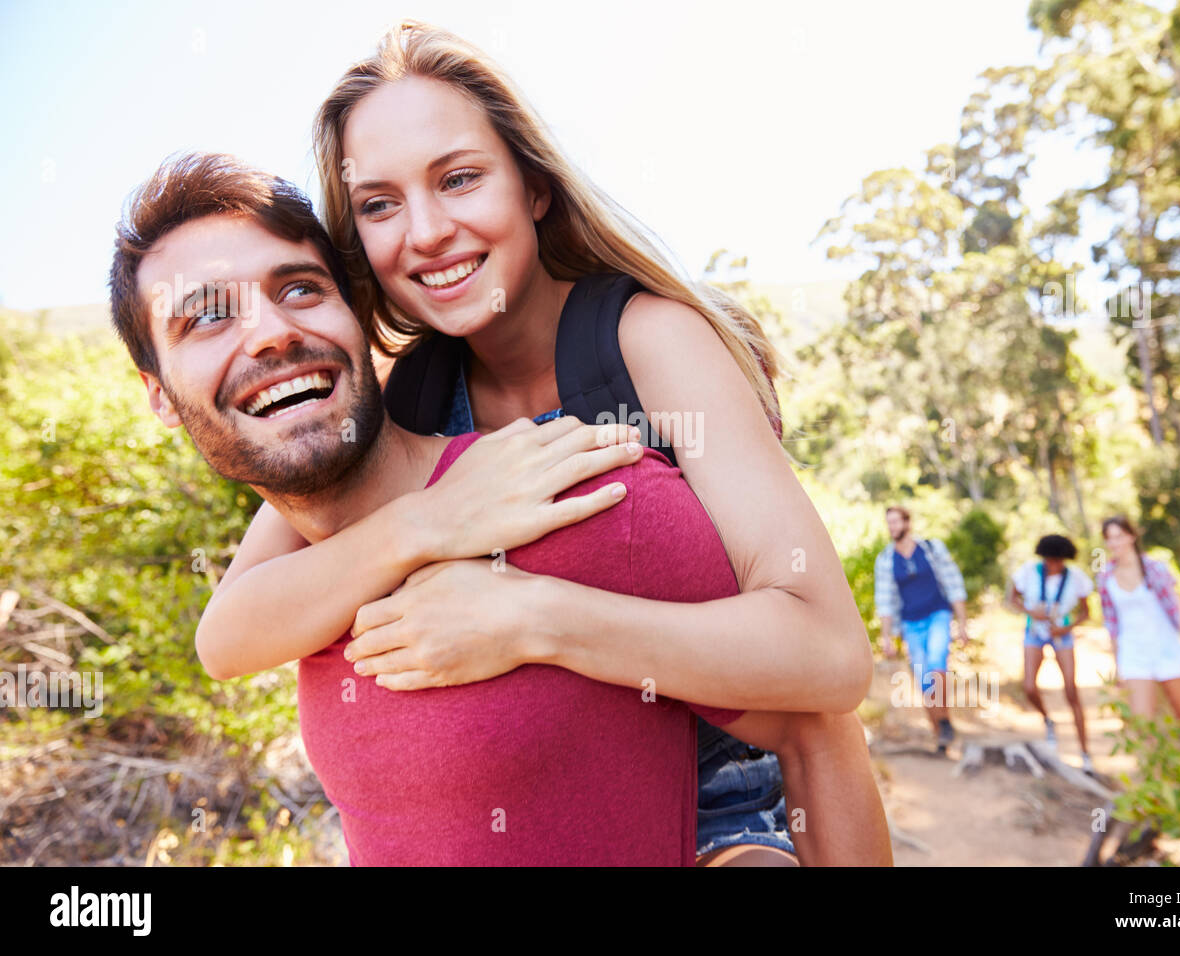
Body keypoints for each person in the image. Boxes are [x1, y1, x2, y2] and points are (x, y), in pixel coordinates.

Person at [196, 22, 891, 866]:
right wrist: (423, 526)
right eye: (380, 203)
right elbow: (228, 636)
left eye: (458, 179)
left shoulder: (649, 341)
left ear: (534, 186)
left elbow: (827, 658)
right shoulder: (410, 393)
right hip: (543, 805)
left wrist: (532, 619)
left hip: (719, 803)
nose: (425, 232)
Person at [1097, 516, 1180, 767]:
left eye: (1119, 536)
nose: (1114, 542)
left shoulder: (1154, 569)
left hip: (1167, 650)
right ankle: (1156, 795)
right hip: (1134, 656)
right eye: (1109, 538)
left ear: (1131, 536)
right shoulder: (1105, 578)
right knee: (1143, 730)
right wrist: (1118, 668)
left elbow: (1179, 609)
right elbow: (1112, 626)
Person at [874, 505, 969, 749]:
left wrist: (963, 624)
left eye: (896, 522)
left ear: (907, 523)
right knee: (924, 681)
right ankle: (940, 734)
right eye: (889, 523)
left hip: (937, 613)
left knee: (938, 666)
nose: (892, 527)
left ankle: (945, 722)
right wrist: (886, 637)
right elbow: (885, 601)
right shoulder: (885, 560)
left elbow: (954, 583)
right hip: (910, 623)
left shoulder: (931, 548)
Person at [1006, 534, 1094, 771]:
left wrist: (1068, 627)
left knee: (1070, 690)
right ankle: (1048, 720)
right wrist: (1031, 612)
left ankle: (1085, 753)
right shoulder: (1029, 571)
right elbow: (1012, 597)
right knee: (1029, 687)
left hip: (1061, 633)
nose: (1053, 565)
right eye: (1049, 560)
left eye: (1057, 560)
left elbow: (1086, 612)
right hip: (1034, 630)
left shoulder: (1076, 578)